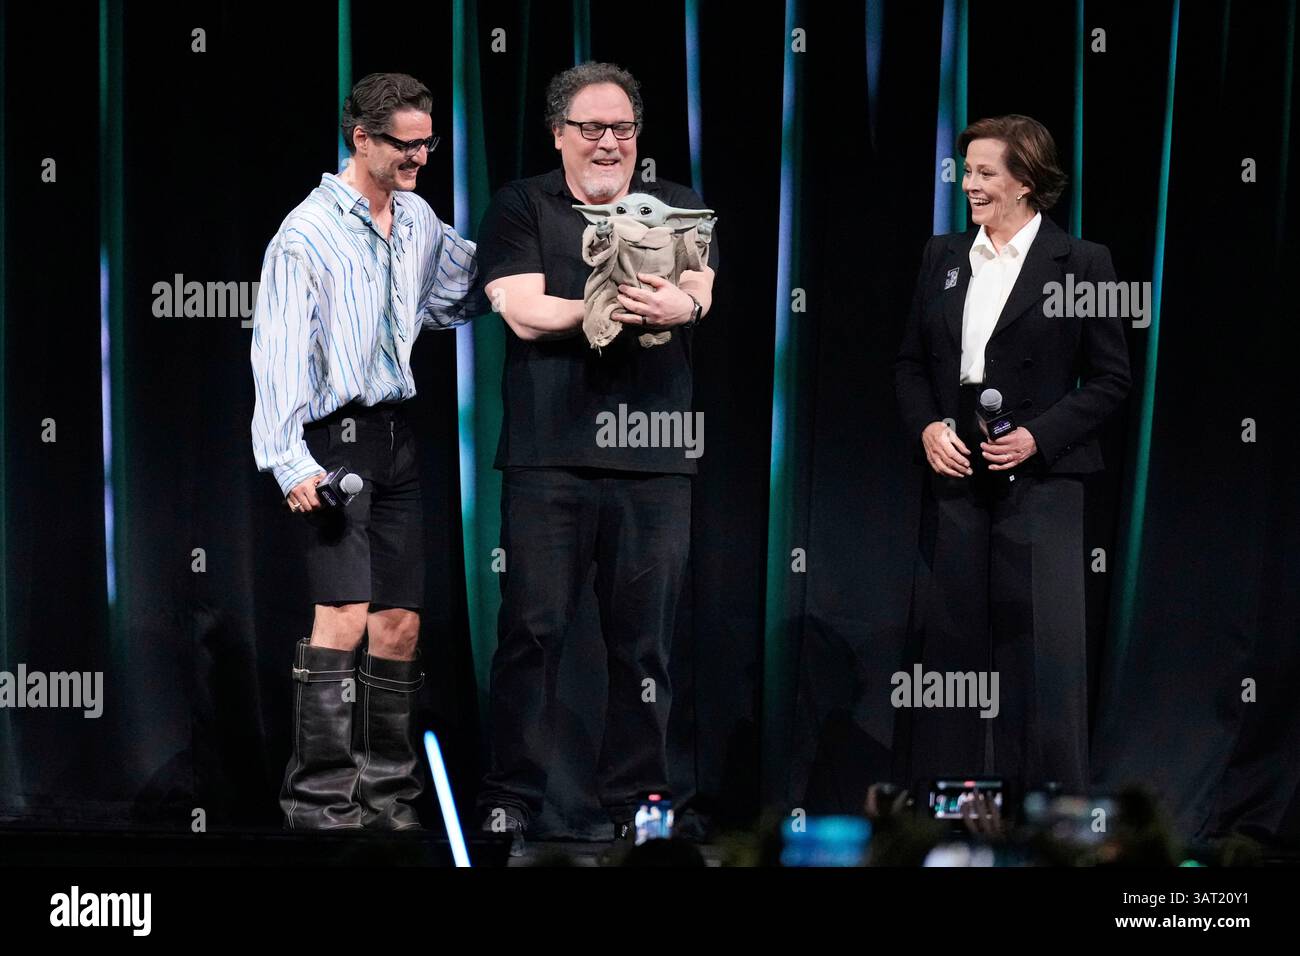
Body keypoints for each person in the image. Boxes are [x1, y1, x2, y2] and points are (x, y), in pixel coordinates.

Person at [472, 62, 717, 855]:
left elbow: (701, 285)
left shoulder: (674, 202)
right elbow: (522, 309)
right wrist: (613, 307)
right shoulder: (521, 203)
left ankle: (638, 804)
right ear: (560, 135)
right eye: (591, 129)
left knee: (644, 645)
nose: (608, 143)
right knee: (533, 631)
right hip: (552, 459)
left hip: (654, 460)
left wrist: (686, 302)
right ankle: (511, 797)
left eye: (622, 128)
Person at [250, 72, 477, 830]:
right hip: (330, 443)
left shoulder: (416, 218)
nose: (420, 158)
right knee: (342, 614)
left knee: (400, 623)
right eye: (405, 147)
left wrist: (511, 265)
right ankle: (321, 806)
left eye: (428, 143)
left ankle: (390, 803)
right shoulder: (304, 233)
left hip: (395, 441)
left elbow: (452, 303)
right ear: (362, 139)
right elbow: (277, 352)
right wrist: (289, 461)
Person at [894, 114, 1130, 795]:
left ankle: (1054, 814)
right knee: (952, 649)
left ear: (1026, 181)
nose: (968, 184)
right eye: (966, 171)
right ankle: (952, 809)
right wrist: (928, 429)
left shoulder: (1083, 262)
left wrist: (1040, 436)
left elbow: (1113, 378)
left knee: (1044, 653)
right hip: (958, 469)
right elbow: (909, 365)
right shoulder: (941, 257)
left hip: (1043, 478)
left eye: (984, 173)